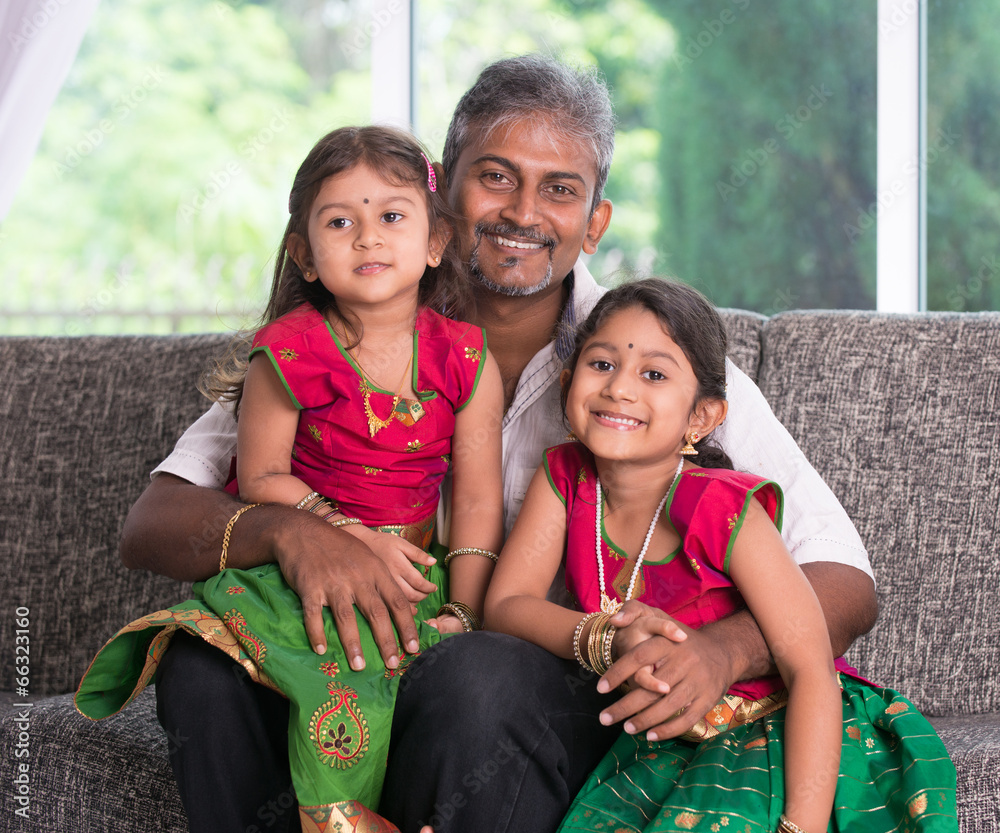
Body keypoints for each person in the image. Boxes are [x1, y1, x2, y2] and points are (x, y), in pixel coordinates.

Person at [120, 56, 878, 833]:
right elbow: (152, 521)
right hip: (361, 652)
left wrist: (721, 651)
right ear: (442, 192)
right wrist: (293, 530)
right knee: (201, 665)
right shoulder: (342, 329)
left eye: (560, 189)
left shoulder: (650, 369)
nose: (523, 211)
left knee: (474, 673)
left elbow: (847, 578)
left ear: (595, 223)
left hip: (562, 695)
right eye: (496, 175)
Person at [75, 125, 504, 832]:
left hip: (410, 576)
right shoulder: (287, 353)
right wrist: (342, 534)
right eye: (342, 222)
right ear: (305, 254)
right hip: (299, 570)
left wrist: (468, 607)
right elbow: (263, 476)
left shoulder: (465, 359)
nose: (368, 237)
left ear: (435, 242)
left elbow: (480, 495)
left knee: (416, 672)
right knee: (225, 668)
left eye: (392, 216)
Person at [486, 278, 957, 833]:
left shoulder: (721, 507)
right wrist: (605, 637)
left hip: (774, 732)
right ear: (568, 384)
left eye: (654, 375)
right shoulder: (565, 478)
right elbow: (506, 604)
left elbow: (810, 670)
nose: (619, 390)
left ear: (703, 418)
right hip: (663, 742)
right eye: (602, 365)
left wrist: (799, 826)